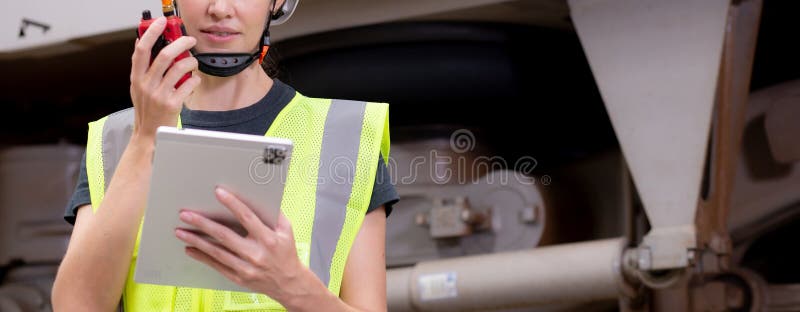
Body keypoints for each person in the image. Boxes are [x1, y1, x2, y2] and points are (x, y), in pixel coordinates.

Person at [51, 0, 397, 311]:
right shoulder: (117, 139)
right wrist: (145, 140)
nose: (219, 8)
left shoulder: (346, 137)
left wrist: (294, 286)